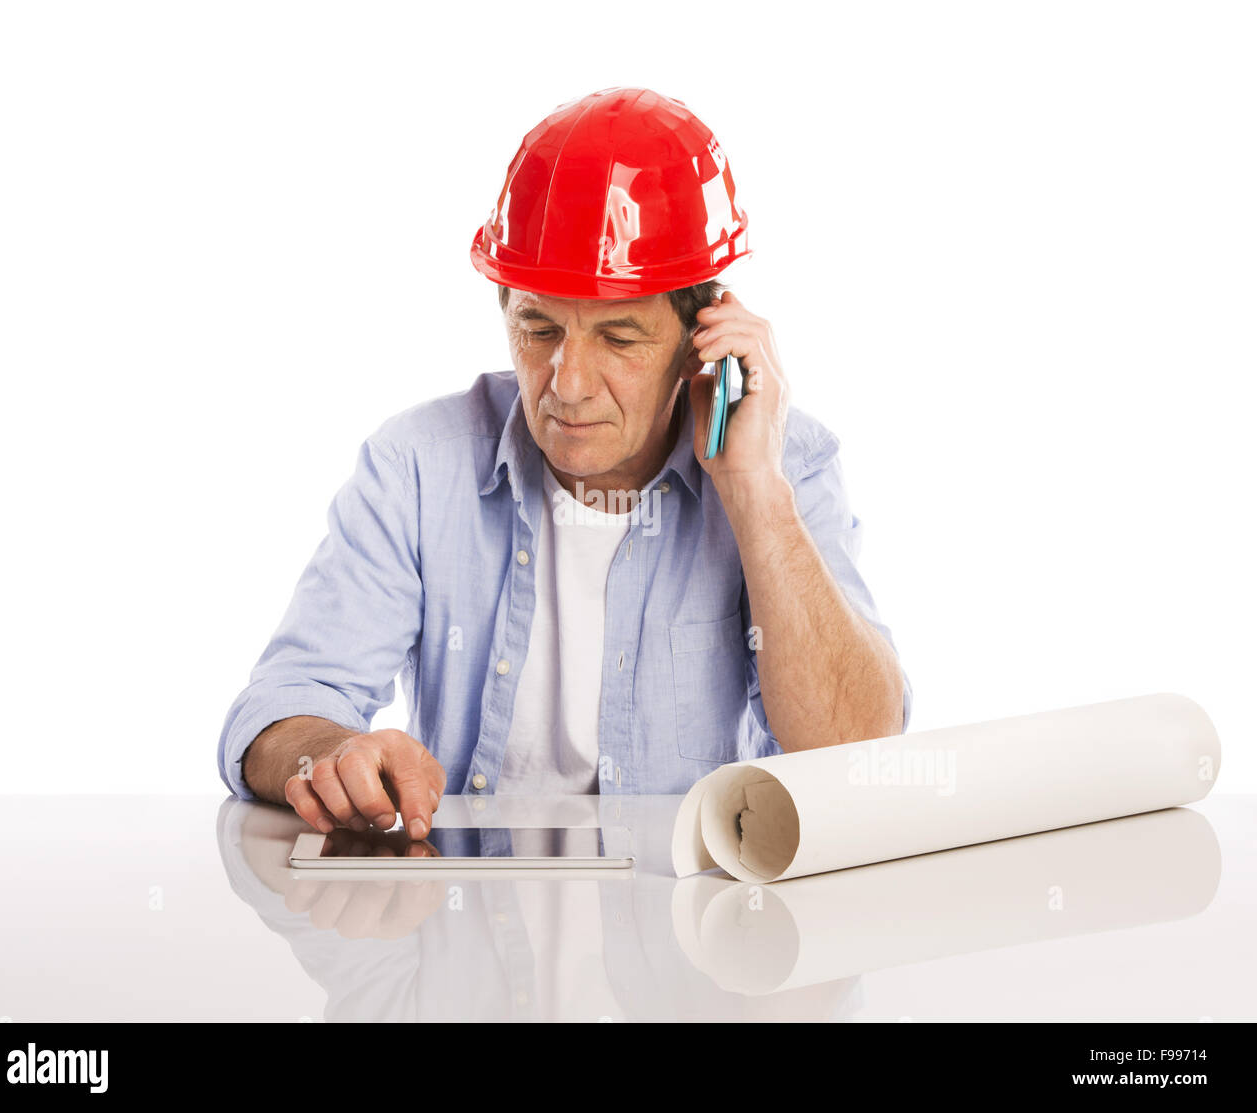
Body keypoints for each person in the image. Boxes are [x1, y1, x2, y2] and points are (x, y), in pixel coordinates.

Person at [217, 87, 911, 841]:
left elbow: (857, 757)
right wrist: (332, 753)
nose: (568, 384)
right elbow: (280, 704)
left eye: (619, 337)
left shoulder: (784, 464)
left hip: (697, 931)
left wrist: (753, 493)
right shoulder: (418, 467)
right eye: (539, 327)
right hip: (468, 931)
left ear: (701, 334)